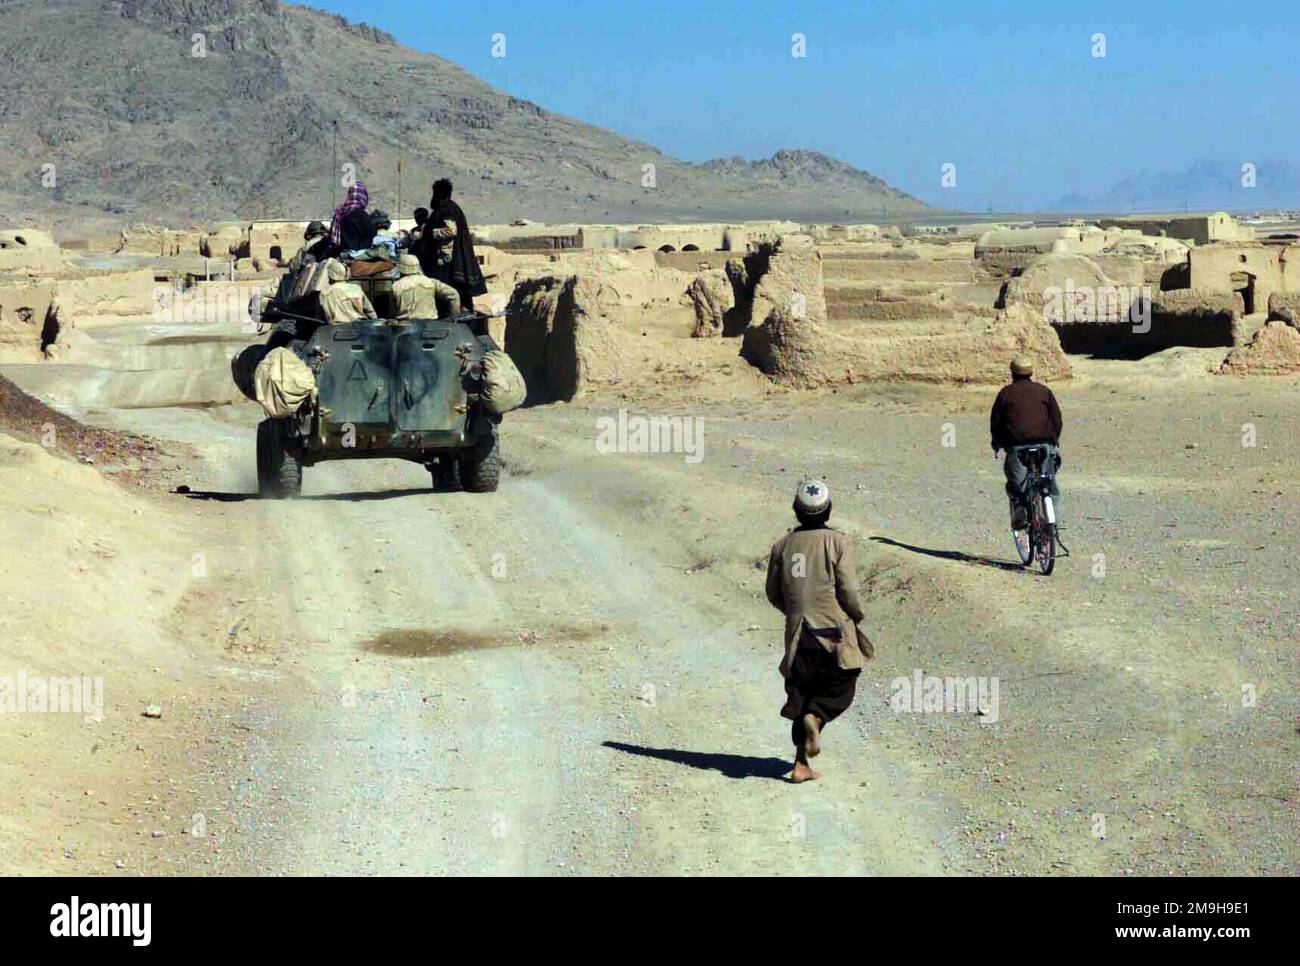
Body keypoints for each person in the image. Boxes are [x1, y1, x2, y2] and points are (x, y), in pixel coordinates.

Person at [765, 479, 873, 783]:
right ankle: (817, 717)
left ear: (797, 511)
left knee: (802, 693)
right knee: (840, 686)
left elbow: (773, 591)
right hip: (832, 633)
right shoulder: (838, 542)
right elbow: (848, 588)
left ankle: (800, 764)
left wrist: (795, 611)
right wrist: (856, 613)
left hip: (799, 634)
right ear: (828, 510)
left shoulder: (782, 545)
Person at [989, 355, 1063, 530]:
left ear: (1012, 373)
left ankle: (1021, 511)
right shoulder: (1044, 391)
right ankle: (1052, 524)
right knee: (1049, 485)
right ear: (1031, 372)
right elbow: (1057, 418)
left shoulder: (1005, 393)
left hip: (1017, 447)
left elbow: (996, 422)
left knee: (1016, 484)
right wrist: (1053, 440)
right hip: (1044, 445)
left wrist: (997, 443)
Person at [426, 179, 487, 310]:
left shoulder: (447, 210)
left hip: (447, 258)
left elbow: (451, 230)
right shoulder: (451, 208)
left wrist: (433, 233)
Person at [392, 253, 461, 320]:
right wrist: (454, 317)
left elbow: (392, 312)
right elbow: (454, 295)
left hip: (405, 326)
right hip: (430, 325)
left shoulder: (396, 286)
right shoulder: (431, 282)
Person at [328, 181, 377, 255]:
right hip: (357, 255)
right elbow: (372, 234)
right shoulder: (360, 215)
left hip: (340, 254)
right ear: (363, 196)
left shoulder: (339, 212)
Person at [320, 259, 377, 323]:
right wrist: (374, 322)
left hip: (335, 328)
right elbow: (369, 311)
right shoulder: (356, 288)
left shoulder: (324, 293)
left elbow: (321, 315)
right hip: (358, 326)